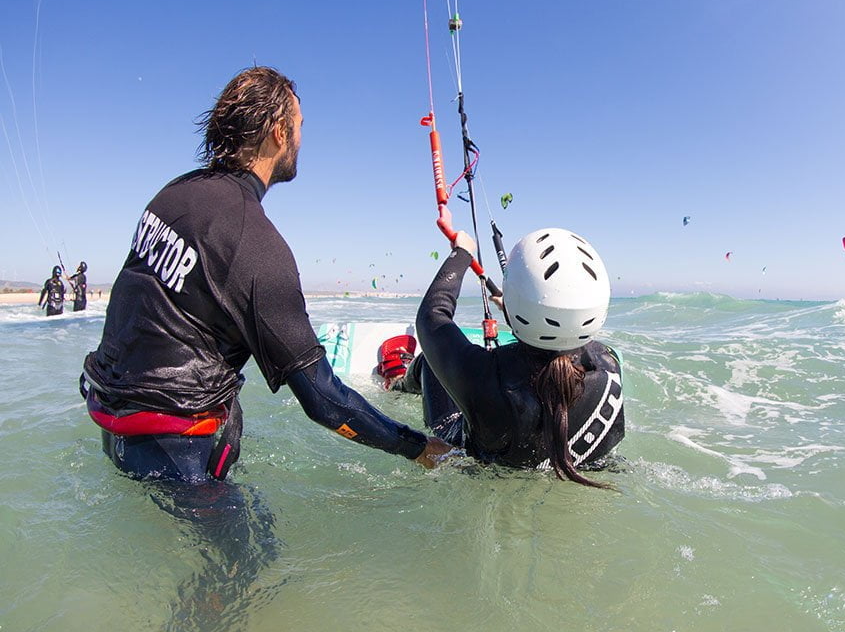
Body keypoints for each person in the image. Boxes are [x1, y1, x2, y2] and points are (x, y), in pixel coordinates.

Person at [81, 66, 452, 483]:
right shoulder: (254, 245)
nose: (300, 139)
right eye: (299, 126)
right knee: (258, 550)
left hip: (112, 425)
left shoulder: (174, 194)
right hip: (178, 458)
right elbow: (324, 400)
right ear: (279, 132)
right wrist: (418, 447)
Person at [391, 220, 625, 487]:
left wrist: (462, 253)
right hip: (580, 466)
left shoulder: (481, 373)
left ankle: (397, 380)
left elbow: (431, 317)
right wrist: (516, 312)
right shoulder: (609, 363)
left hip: (473, 462)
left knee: (429, 364)